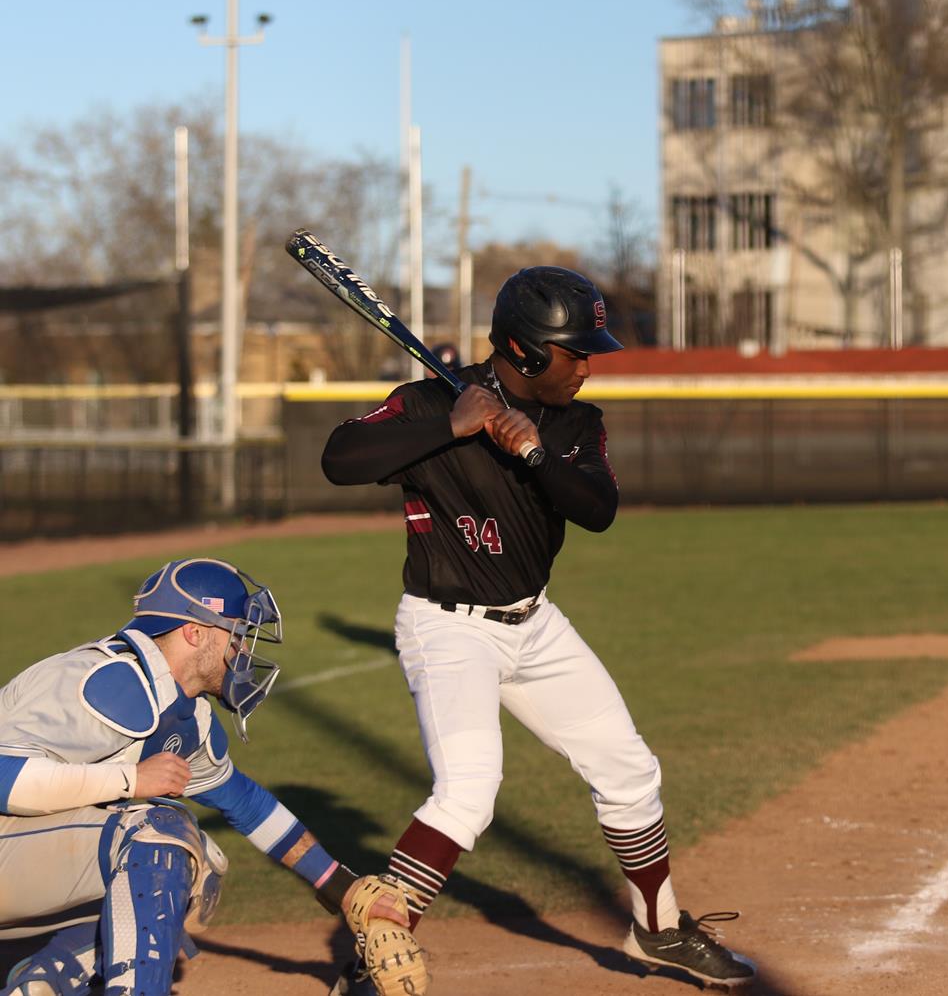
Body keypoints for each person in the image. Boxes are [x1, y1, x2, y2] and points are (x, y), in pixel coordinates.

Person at [320, 266, 756, 988]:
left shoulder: (576, 422)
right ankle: (374, 961)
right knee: (468, 793)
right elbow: (339, 459)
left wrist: (533, 451)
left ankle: (658, 930)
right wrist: (447, 428)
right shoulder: (430, 399)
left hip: (536, 622)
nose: (586, 366)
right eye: (575, 352)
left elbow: (597, 507)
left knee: (629, 771)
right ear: (524, 352)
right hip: (448, 628)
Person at [0, 558, 426, 996]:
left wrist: (342, 887)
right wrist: (130, 780)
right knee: (157, 835)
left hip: (18, 857)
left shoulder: (185, 714)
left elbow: (244, 803)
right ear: (195, 632)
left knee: (197, 862)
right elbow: (3, 778)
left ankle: (42, 982)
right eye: (238, 635)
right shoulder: (108, 682)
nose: (245, 652)